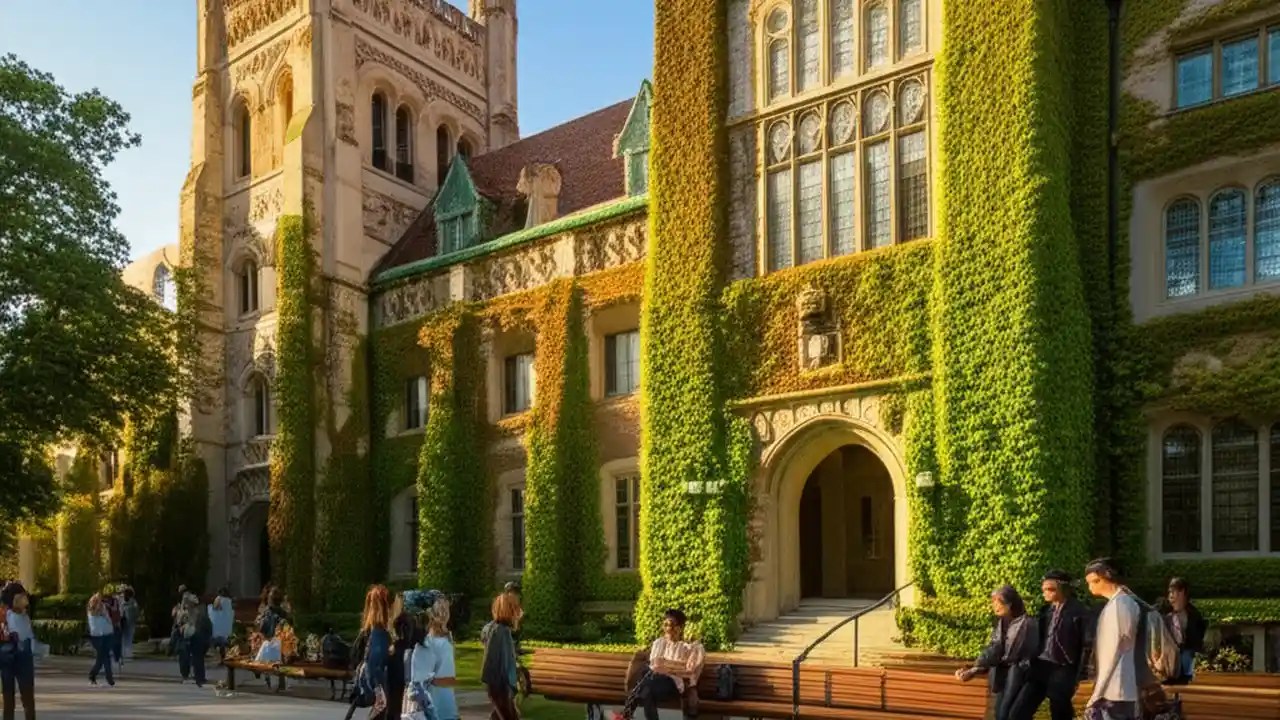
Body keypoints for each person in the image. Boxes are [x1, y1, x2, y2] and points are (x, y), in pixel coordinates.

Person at [1013, 570, 1092, 720]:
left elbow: (1086, 644)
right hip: (1041, 665)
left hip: (1063, 666)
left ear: (1063, 589)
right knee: (1019, 712)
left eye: (1050, 589)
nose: (1045, 593)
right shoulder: (1045, 611)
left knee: (1059, 710)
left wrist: (1080, 672)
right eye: (1043, 589)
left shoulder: (1079, 612)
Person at [955, 585, 1038, 720]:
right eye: (993, 602)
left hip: (1021, 676)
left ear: (1009, 604)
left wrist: (975, 668)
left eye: (997, 602)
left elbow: (1011, 653)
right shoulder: (1001, 623)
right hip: (1002, 676)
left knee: (1009, 714)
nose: (994, 606)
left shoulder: (1028, 624)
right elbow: (995, 649)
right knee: (999, 714)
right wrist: (973, 669)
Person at [1084, 558, 1142, 720]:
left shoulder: (1118, 605)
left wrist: (1097, 693)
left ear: (1101, 578)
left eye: (1091, 582)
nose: (1089, 587)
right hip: (1121, 688)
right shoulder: (1126, 602)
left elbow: (1112, 653)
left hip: (1115, 691)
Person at [626, 609, 705, 720]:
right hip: (653, 681)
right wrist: (675, 665)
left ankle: (627, 714)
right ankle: (628, 713)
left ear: (680, 627)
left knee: (644, 686)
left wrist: (666, 666)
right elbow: (655, 664)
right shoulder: (659, 643)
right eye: (665, 625)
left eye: (672, 625)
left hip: (673, 685)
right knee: (646, 690)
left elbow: (690, 670)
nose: (668, 629)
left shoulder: (689, 647)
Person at [405, 590, 459, 720]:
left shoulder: (441, 641)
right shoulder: (429, 644)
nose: (445, 613)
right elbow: (421, 683)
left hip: (444, 708)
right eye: (442, 609)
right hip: (437, 710)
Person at [346, 584, 393, 720]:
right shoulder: (380, 633)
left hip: (372, 688)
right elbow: (374, 665)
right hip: (381, 691)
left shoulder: (371, 632)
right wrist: (379, 694)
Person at [481, 591, 523, 720]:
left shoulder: (492, 628)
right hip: (501, 686)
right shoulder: (502, 632)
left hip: (495, 685)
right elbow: (505, 664)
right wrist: (511, 686)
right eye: (516, 608)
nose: (520, 612)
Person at [2, 581, 36, 719]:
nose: (25, 599)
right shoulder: (5, 615)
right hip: (8, 656)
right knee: (9, 697)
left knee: (27, 698)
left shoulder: (25, 616)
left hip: (22, 656)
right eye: (21, 596)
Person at [1162, 577, 1205, 686]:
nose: (1170, 596)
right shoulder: (1165, 613)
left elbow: (1198, 639)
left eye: (1173, 592)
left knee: (1186, 656)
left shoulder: (1194, 615)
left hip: (1187, 658)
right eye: (1169, 592)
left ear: (1182, 592)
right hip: (1169, 661)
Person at [178, 592, 212, 687]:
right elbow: (178, 625)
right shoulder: (184, 614)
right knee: (186, 657)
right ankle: (189, 676)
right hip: (188, 638)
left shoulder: (200, 613)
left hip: (198, 638)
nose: (185, 604)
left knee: (197, 658)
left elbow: (207, 627)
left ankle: (199, 677)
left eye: (187, 602)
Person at [87, 593, 117, 688]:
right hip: (98, 637)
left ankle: (93, 675)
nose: (101, 603)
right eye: (98, 601)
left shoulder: (104, 609)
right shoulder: (92, 611)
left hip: (107, 635)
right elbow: (97, 617)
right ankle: (109, 677)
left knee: (102, 658)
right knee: (104, 657)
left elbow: (109, 619)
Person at [208, 587, 234, 665]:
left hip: (218, 624)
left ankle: (221, 658)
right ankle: (224, 658)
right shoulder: (229, 601)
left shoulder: (218, 599)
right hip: (227, 624)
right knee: (224, 642)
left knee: (216, 642)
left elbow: (215, 607)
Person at [120, 586, 140, 661]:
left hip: (129, 621)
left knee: (127, 637)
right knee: (126, 637)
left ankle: (126, 652)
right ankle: (125, 652)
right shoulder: (127, 602)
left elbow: (136, 612)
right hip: (125, 621)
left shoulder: (132, 602)